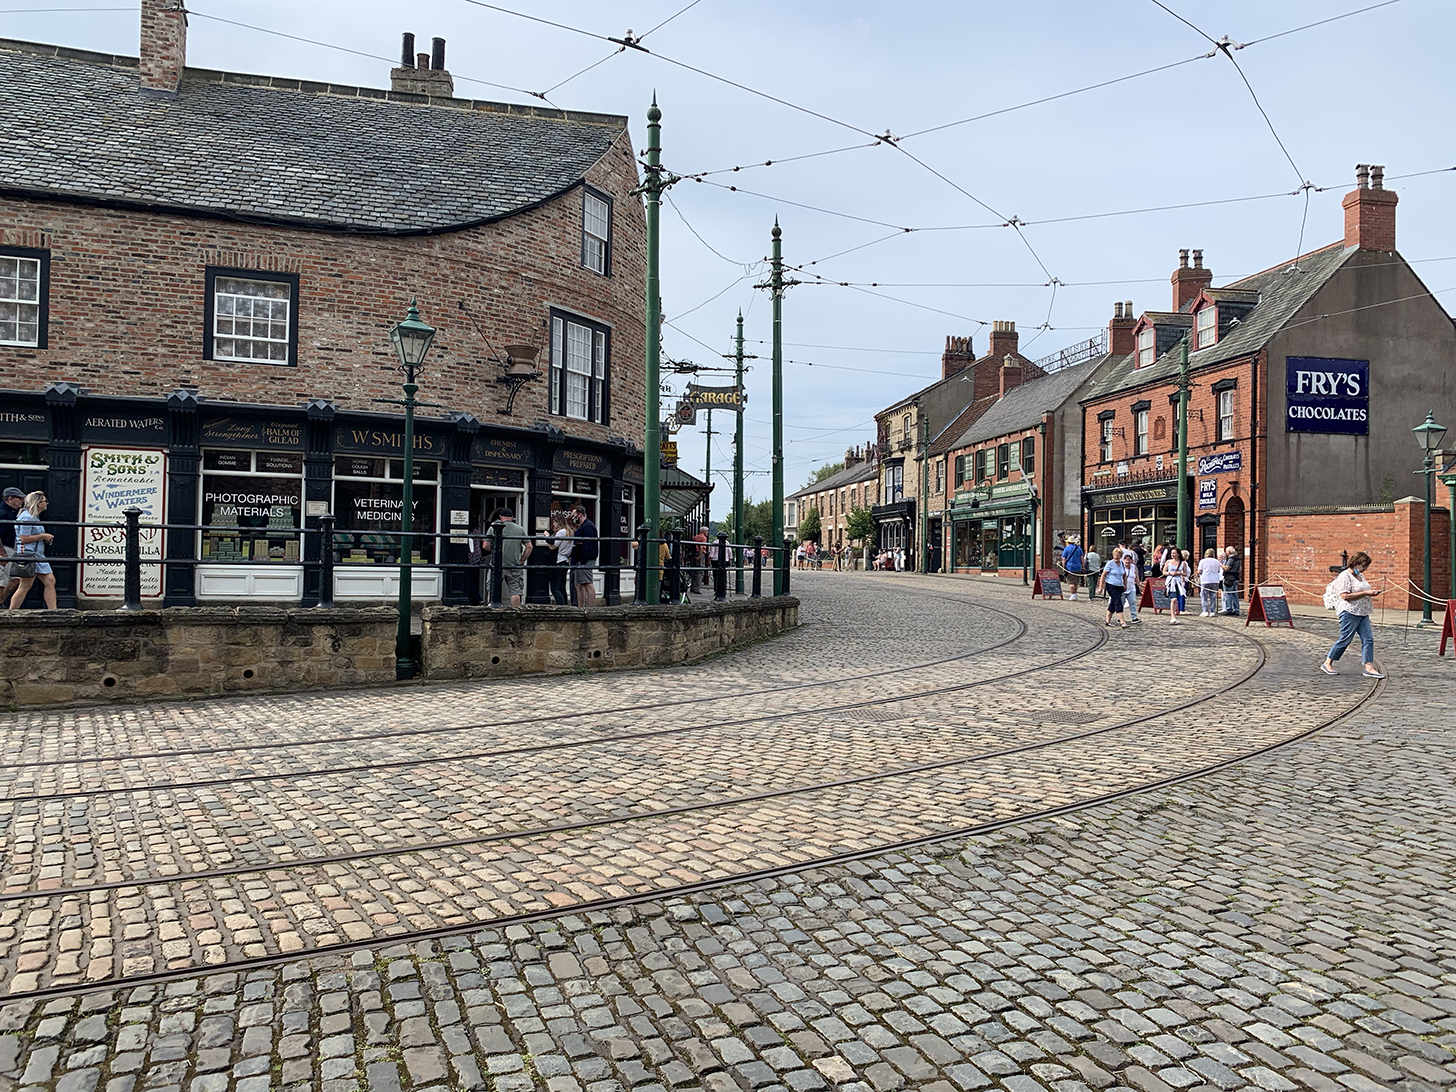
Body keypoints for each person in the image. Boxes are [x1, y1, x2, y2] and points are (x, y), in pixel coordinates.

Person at [1321, 551, 1385, 678]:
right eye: (1363, 566)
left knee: (1368, 639)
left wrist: (1372, 592)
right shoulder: (1344, 576)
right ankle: (1328, 663)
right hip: (1349, 612)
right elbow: (1345, 596)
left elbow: (1363, 588)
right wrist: (1366, 593)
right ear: (1355, 563)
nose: (1365, 569)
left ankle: (1369, 667)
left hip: (1363, 612)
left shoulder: (1360, 576)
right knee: (1345, 639)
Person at [9, 491, 57, 610]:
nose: (47, 503)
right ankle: (11, 612)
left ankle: (53, 611)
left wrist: (43, 537)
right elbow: (23, 538)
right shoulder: (27, 517)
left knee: (48, 581)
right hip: (29, 554)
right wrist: (43, 536)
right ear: (37, 503)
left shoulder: (32, 517)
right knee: (25, 585)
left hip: (35, 554)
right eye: (45, 501)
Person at [489, 509, 531, 607]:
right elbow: (529, 546)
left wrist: (494, 551)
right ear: (512, 517)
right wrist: (522, 560)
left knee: (492, 589)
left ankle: (491, 611)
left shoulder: (493, 528)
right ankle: (516, 612)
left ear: (500, 517)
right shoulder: (520, 529)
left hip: (496, 563)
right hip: (514, 564)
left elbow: (485, 545)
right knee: (515, 590)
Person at [569, 504, 598, 608]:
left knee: (587, 583)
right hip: (579, 559)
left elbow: (588, 545)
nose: (573, 518)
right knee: (578, 584)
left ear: (579, 515)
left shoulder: (588, 526)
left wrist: (583, 560)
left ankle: (590, 608)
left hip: (585, 559)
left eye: (574, 516)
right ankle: (581, 607)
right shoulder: (583, 526)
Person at [1, 486, 25, 607]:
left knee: (15, 578)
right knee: (7, 579)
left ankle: (1, 602)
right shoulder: (3, 513)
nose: (22, 501)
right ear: (10, 499)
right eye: (20, 498)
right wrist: (2, 553)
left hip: (11, 547)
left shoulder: (12, 512)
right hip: (5, 547)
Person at [1100, 546, 1129, 628]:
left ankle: (1107, 621)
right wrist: (1100, 587)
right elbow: (1103, 575)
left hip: (1119, 585)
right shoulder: (1110, 563)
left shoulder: (1122, 564)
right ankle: (1122, 621)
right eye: (1115, 555)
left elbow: (1124, 575)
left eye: (1118, 555)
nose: (1116, 557)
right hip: (1111, 585)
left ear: (1121, 556)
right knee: (1118, 602)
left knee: (1113, 603)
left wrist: (1125, 585)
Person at [549, 511, 573, 605]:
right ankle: (565, 606)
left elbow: (554, 546)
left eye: (554, 522)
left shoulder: (561, 532)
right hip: (566, 561)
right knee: (562, 586)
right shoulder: (569, 532)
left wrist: (547, 537)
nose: (553, 524)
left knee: (555, 588)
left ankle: (561, 606)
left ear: (558, 522)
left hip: (558, 561)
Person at [1163, 547, 1191, 624]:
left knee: (1177, 599)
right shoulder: (1168, 562)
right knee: (1173, 599)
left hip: (1178, 582)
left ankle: (1175, 614)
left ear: (1178, 554)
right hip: (1170, 582)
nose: (1173, 555)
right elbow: (1164, 572)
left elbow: (1185, 573)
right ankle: (1172, 616)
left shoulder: (1183, 563)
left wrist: (1179, 573)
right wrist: (1170, 573)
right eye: (1172, 553)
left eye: (1174, 553)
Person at [1197, 548, 1224, 616]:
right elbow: (1218, 571)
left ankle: (1205, 611)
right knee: (1213, 596)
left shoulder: (1202, 561)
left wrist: (1197, 573)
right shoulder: (1217, 561)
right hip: (1215, 580)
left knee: (1204, 596)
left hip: (1205, 580)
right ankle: (1212, 611)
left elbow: (1200, 571)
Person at [1060, 535, 1084, 600]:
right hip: (1078, 567)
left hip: (1070, 567)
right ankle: (1075, 594)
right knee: (1076, 582)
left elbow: (1064, 559)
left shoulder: (1066, 549)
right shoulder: (1078, 548)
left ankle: (1073, 594)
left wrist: (1063, 566)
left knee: (1071, 582)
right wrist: (1083, 566)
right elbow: (1082, 558)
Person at [1220, 546, 1242, 616]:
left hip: (1229, 578)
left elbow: (1227, 568)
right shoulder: (1238, 559)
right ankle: (1236, 609)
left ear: (1229, 552)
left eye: (1226, 551)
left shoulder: (1231, 559)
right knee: (1235, 594)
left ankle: (1229, 609)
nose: (1226, 553)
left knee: (1228, 594)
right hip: (1235, 577)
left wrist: (1221, 565)